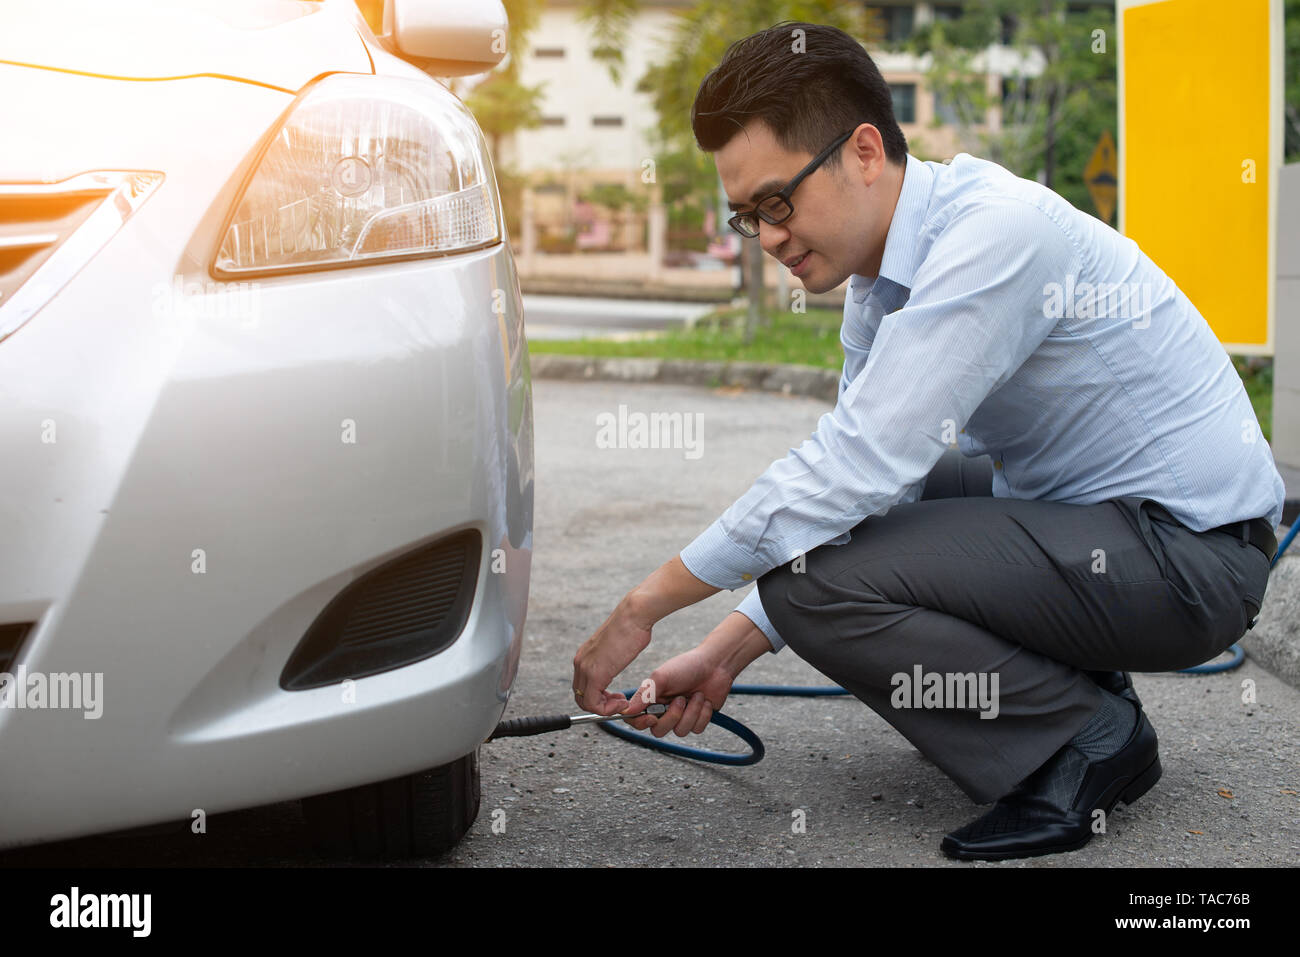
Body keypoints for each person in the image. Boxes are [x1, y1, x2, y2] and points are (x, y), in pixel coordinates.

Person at [570, 20, 1283, 861]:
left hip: (1189, 559)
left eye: (776, 201)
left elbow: (854, 468)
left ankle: (1083, 737)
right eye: (745, 214)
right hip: (1120, 535)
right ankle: (1075, 691)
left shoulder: (996, 235)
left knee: (816, 582)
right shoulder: (882, 283)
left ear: (864, 151)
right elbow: (863, 485)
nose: (765, 236)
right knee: (890, 509)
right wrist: (725, 650)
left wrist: (643, 605)